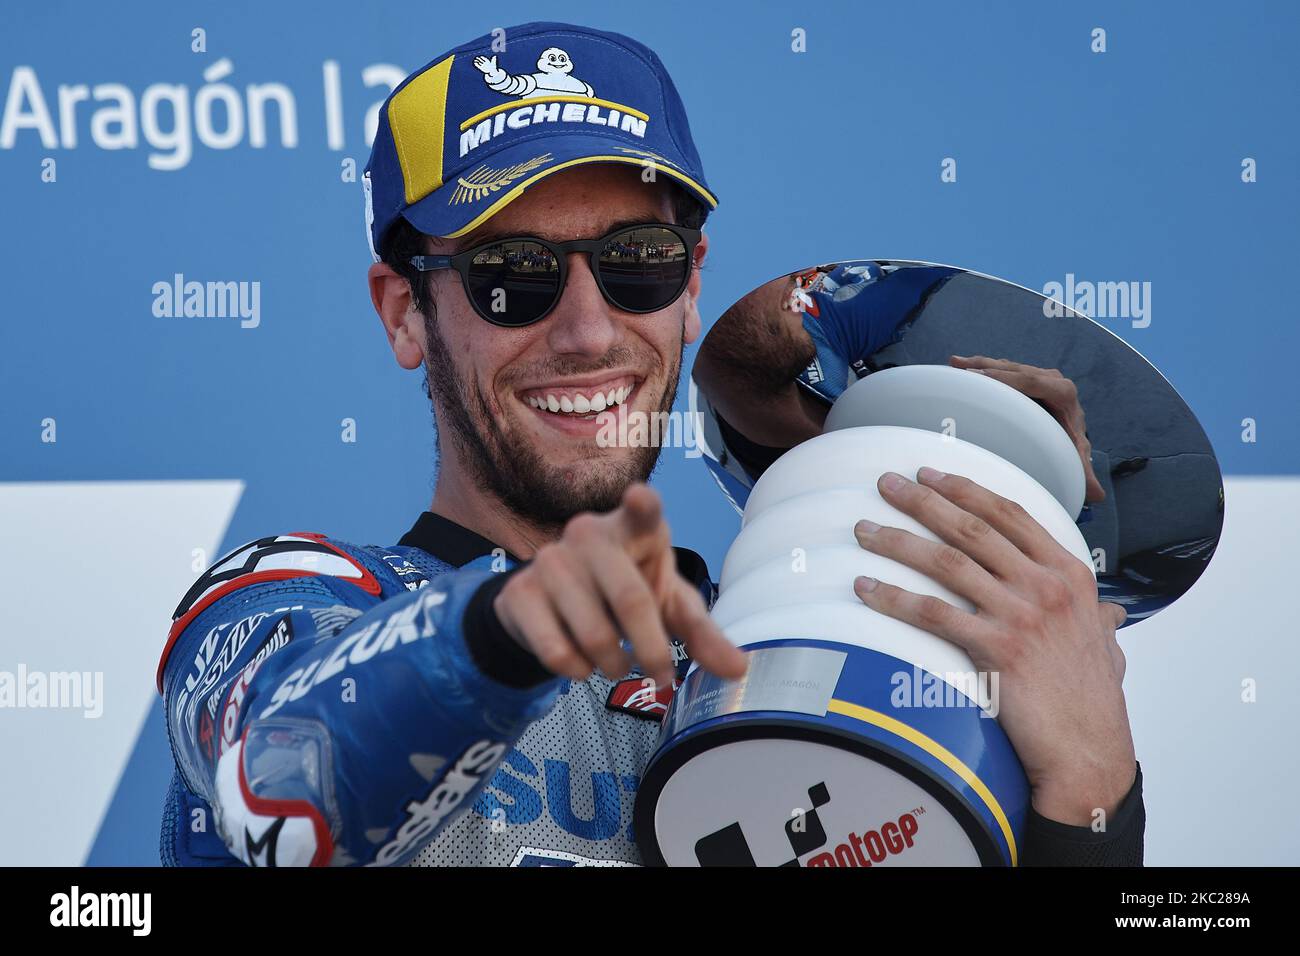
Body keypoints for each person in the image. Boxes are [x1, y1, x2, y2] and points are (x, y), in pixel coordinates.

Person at [157, 21, 1144, 867]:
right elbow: (275, 786)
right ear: (404, 311)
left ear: (693, 283)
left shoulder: (806, 661)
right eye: (513, 275)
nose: (588, 331)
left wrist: (1094, 799)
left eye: (637, 263)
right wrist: (506, 626)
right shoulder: (295, 596)